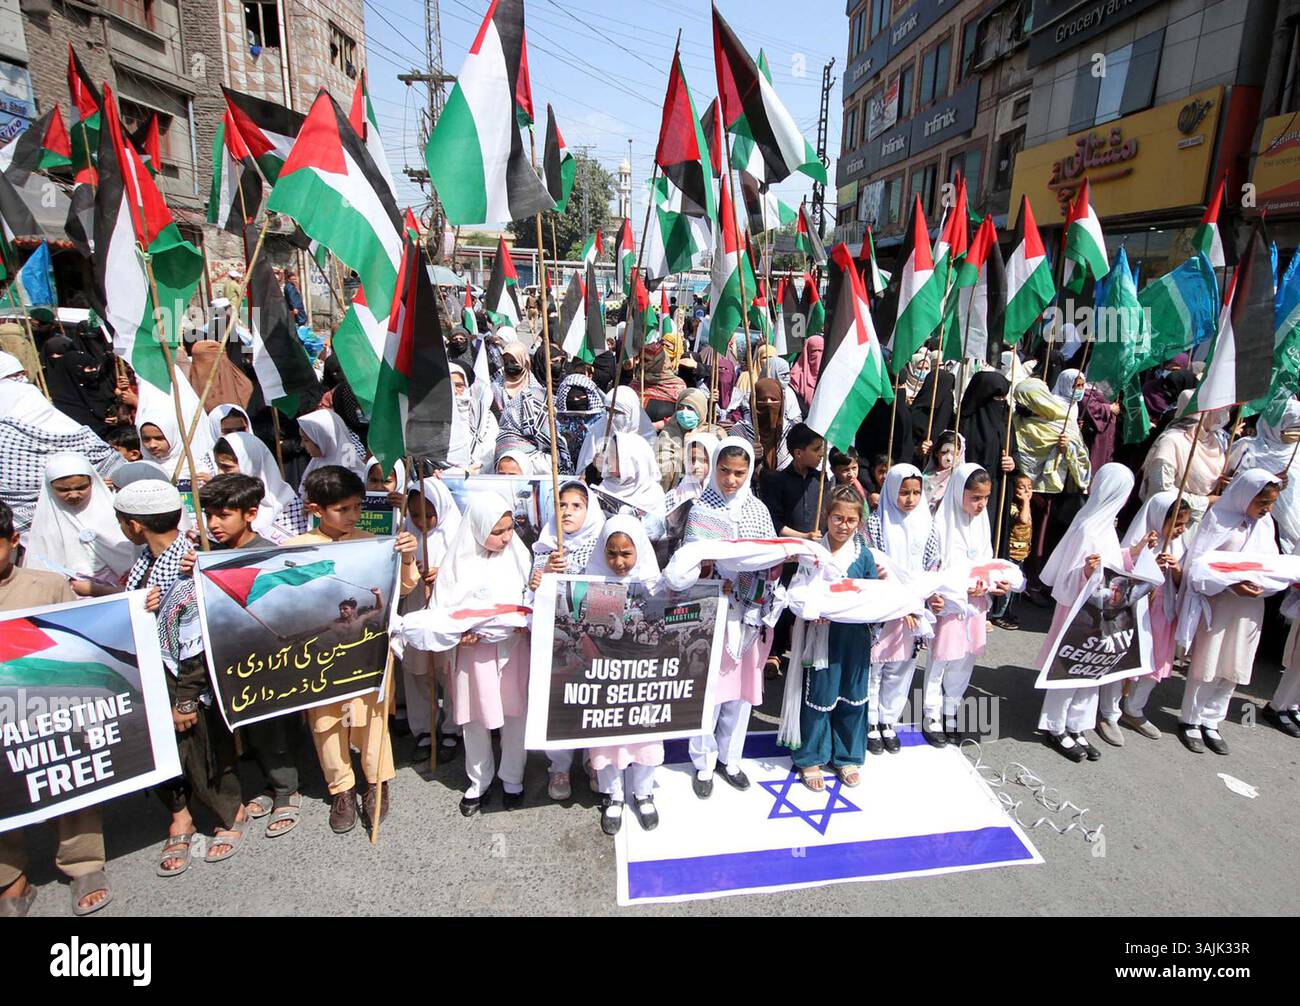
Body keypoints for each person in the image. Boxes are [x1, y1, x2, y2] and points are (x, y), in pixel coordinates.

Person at [115, 479, 254, 874]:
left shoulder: (193, 560)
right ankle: (180, 816)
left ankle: (231, 812)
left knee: (203, 747)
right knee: (160, 749)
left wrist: (185, 697)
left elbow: (196, 638)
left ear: (133, 525)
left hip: (190, 680)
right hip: (149, 674)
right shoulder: (146, 564)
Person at [281, 467, 419, 831]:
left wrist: (405, 557)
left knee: (372, 720)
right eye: (343, 509)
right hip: (320, 658)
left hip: (366, 653)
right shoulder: (293, 553)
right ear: (315, 508)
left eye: (357, 507)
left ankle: (376, 783)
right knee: (325, 724)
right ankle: (341, 788)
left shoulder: (373, 542)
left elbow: (401, 589)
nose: (354, 516)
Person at [0, 500, 112, 917]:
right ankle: (11, 880)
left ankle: (82, 863)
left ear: (14, 541)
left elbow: (77, 644)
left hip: (47, 707)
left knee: (66, 778)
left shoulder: (46, 585)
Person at [195, 473, 304, 836]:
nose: (214, 524)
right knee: (249, 727)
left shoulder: (266, 555)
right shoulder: (210, 556)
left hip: (267, 658)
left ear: (251, 514)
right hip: (230, 658)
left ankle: (287, 789)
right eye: (208, 514)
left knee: (273, 726)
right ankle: (270, 784)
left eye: (223, 515)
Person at [1035, 463, 1152, 762]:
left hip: (1101, 613)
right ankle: (1055, 727)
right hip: (1077, 612)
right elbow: (1067, 576)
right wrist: (1086, 572)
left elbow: (1113, 562)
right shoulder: (1087, 527)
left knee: (1093, 671)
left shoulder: (1106, 525)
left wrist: (1134, 552)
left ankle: (1077, 726)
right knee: (1070, 670)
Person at [685, 438, 779, 797]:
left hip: (748, 612)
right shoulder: (700, 511)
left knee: (739, 694)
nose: (731, 480)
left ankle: (731, 758)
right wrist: (711, 573)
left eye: (740, 473)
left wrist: (767, 569)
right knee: (709, 692)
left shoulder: (759, 512)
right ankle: (704, 762)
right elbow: (689, 561)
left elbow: (770, 560)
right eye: (724, 471)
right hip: (713, 613)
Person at [435, 493, 532, 816]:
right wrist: (458, 634)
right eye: (497, 531)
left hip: (512, 649)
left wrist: (525, 619)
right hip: (473, 653)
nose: (506, 538)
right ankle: (478, 780)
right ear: (476, 528)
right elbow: (441, 610)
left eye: (509, 529)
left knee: (515, 715)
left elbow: (530, 598)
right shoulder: (457, 561)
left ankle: (513, 777)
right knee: (475, 718)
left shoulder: (519, 555)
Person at [1175, 469, 1281, 756]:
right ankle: (1191, 720)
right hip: (1219, 604)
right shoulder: (1219, 519)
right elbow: (1198, 568)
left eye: (1270, 503)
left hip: (1249, 609)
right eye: (1262, 503)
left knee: (1234, 666)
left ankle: (1212, 720)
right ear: (1246, 496)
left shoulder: (1266, 524)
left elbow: (1272, 565)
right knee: (1207, 664)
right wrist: (1232, 585)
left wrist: (1264, 585)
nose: (1267, 509)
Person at [783, 484, 877, 790]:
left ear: (859, 522)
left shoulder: (863, 556)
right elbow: (796, 591)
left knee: (852, 695)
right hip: (821, 637)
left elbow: (874, 594)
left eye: (850, 521)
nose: (843, 526)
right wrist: (813, 609)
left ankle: (847, 756)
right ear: (827, 516)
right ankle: (811, 757)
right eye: (837, 518)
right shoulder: (813, 553)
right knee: (818, 697)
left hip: (854, 639)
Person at [585, 516, 665, 834]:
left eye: (626, 554)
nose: (619, 562)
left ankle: (643, 792)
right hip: (607, 675)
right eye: (612, 554)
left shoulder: (653, 585)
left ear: (639, 551)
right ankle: (614, 794)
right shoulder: (594, 581)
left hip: (643, 675)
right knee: (608, 735)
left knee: (645, 732)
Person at [528, 479, 606, 800]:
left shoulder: (601, 544)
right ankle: (559, 765)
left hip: (589, 638)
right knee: (559, 701)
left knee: (591, 701)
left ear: (589, 511)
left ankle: (593, 761)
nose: (567, 512)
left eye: (576, 506)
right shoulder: (545, 545)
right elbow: (532, 591)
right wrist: (544, 574)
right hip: (556, 641)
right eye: (561, 505)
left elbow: (608, 592)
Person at [1096, 491, 1190, 744]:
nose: (1181, 529)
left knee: (1154, 661)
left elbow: (1184, 583)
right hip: (1138, 609)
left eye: (1184, 524)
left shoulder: (1181, 544)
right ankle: (1109, 713)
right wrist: (1149, 565)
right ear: (1160, 518)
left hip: (1163, 611)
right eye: (1176, 524)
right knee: (1122, 659)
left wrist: (1177, 570)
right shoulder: (1141, 541)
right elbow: (1120, 574)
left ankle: (1134, 709)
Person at [924, 463, 1008, 745]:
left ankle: (951, 711)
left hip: (975, 605)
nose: (981, 504)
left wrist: (995, 582)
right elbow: (934, 568)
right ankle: (931, 715)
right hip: (948, 606)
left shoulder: (982, 523)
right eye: (975, 497)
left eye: (985, 497)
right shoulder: (940, 524)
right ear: (960, 492)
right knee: (940, 661)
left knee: (964, 661)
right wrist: (952, 589)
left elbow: (987, 561)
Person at [865, 464, 944, 753]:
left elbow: (933, 564)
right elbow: (871, 561)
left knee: (902, 665)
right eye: (903, 492)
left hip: (913, 607)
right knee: (875, 665)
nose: (910, 499)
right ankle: (870, 721)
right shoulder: (876, 522)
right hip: (883, 606)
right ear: (890, 491)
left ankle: (888, 720)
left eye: (915, 492)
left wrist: (928, 596)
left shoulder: (928, 525)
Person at [401, 478, 462, 759]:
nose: (422, 521)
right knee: (418, 672)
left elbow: (467, 573)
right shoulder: (405, 534)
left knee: (447, 672)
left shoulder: (457, 534)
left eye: (428, 514)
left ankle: (452, 727)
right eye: (415, 515)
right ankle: (424, 728)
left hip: (445, 612)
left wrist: (443, 573)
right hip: (414, 609)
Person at [24, 452, 136, 593]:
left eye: (81, 487)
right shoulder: (46, 524)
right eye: (63, 490)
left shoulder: (114, 512)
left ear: (92, 482)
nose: (74, 495)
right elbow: (41, 570)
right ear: (50, 488)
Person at [212, 431, 301, 539]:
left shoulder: (288, 505)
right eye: (218, 467)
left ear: (249, 465)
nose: (220, 473)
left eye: (227, 467)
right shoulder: (221, 501)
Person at [989, 472, 1034, 630]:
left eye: (1030, 487)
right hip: (1012, 553)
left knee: (1016, 586)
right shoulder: (1013, 506)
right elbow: (1022, 520)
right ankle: (999, 614)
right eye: (1022, 488)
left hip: (1022, 552)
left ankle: (1007, 611)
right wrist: (1026, 501)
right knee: (1007, 587)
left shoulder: (1024, 505)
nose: (1027, 491)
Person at [297, 408, 367, 489]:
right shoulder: (315, 463)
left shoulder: (353, 473)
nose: (302, 445)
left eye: (306, 440)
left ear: (322, 439)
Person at [656, 387, 711, 489]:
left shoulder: (713, 434)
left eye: (690, 408)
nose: (684, 412)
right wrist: (685, 449)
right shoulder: (668, 433)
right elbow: (660, 470)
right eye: (681, 408)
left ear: (701, 410)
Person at [921, 430, 964, 513]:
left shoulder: (958, 480)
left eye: (953, 453)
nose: (948, 458)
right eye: (944, 452)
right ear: (937, 452)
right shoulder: (925, 477)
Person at [788, 335, 823, 413]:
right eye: (814, 351)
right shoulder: (794, 381)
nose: (818, 355)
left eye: (821, 352)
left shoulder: (828, 377)